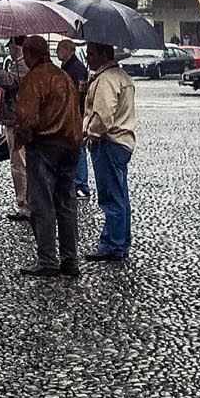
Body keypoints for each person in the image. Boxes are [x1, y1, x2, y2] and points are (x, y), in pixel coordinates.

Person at [10, 35, 82, 277]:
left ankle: (48, 259)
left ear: (30, 54)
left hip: (45, 147)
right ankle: (70, 259)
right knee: (66, 204)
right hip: (70, 147)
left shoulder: (34, 79)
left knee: (42, 204)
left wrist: (22, 135)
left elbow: (27, 120)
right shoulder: (64, 77)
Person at [80, 43, 136, 262]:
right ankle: (121, 240)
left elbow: (103, 117)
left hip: (108, 142)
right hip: (123, 142)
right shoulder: (121, 77)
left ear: (104, 55)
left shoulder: (106, 80)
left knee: (111, 195)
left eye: (91, 54)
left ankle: (113, 244)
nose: (88, 58)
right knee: (120, 194)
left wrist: (87, 131)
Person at [0, 37, 31, 221]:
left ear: (17, 47)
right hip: (16, 120)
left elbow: (8, 82)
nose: (8, 49)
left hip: (17, 122)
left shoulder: (22, 65)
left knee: (19, 165)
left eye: (10, 45)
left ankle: (24, 205)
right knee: (21, 163)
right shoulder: (18, 64)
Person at [57, 38, 93, 199]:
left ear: (68, 50)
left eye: (59, 49)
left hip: (75, 113)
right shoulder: (67, 66)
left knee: (79, 148)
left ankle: (82, 184)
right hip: (69, 112)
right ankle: (75, 181)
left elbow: (76, 93)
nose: (57, 52)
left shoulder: (76, 68)